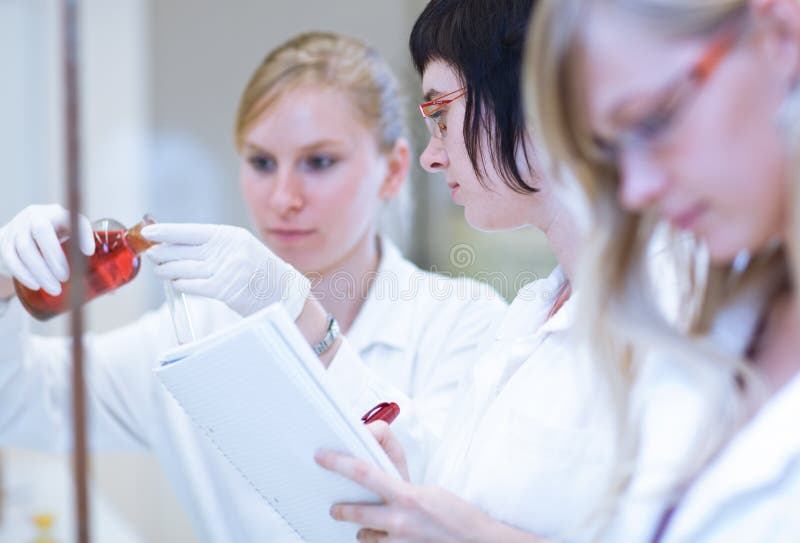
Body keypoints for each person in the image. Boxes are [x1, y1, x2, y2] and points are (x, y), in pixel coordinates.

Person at [0, 32, 504, 542]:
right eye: (262, 163)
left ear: (393, 170)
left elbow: (441, 502)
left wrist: (304, 322)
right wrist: (2, 281)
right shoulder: (188, 333)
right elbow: (18, 404)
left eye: (319, 162)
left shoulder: (465, 324)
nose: (283, 197)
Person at [312, 1, 621, 541]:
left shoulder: (674, 311)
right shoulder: (528, 314)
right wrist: (410, 503)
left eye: (441, 116)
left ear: (536, 96)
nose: (434, 156)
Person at [527, 0, 800, 540]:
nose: (636, 189)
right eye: (610, 154)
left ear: (781, 34)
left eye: (653, 119)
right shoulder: (713, 333)